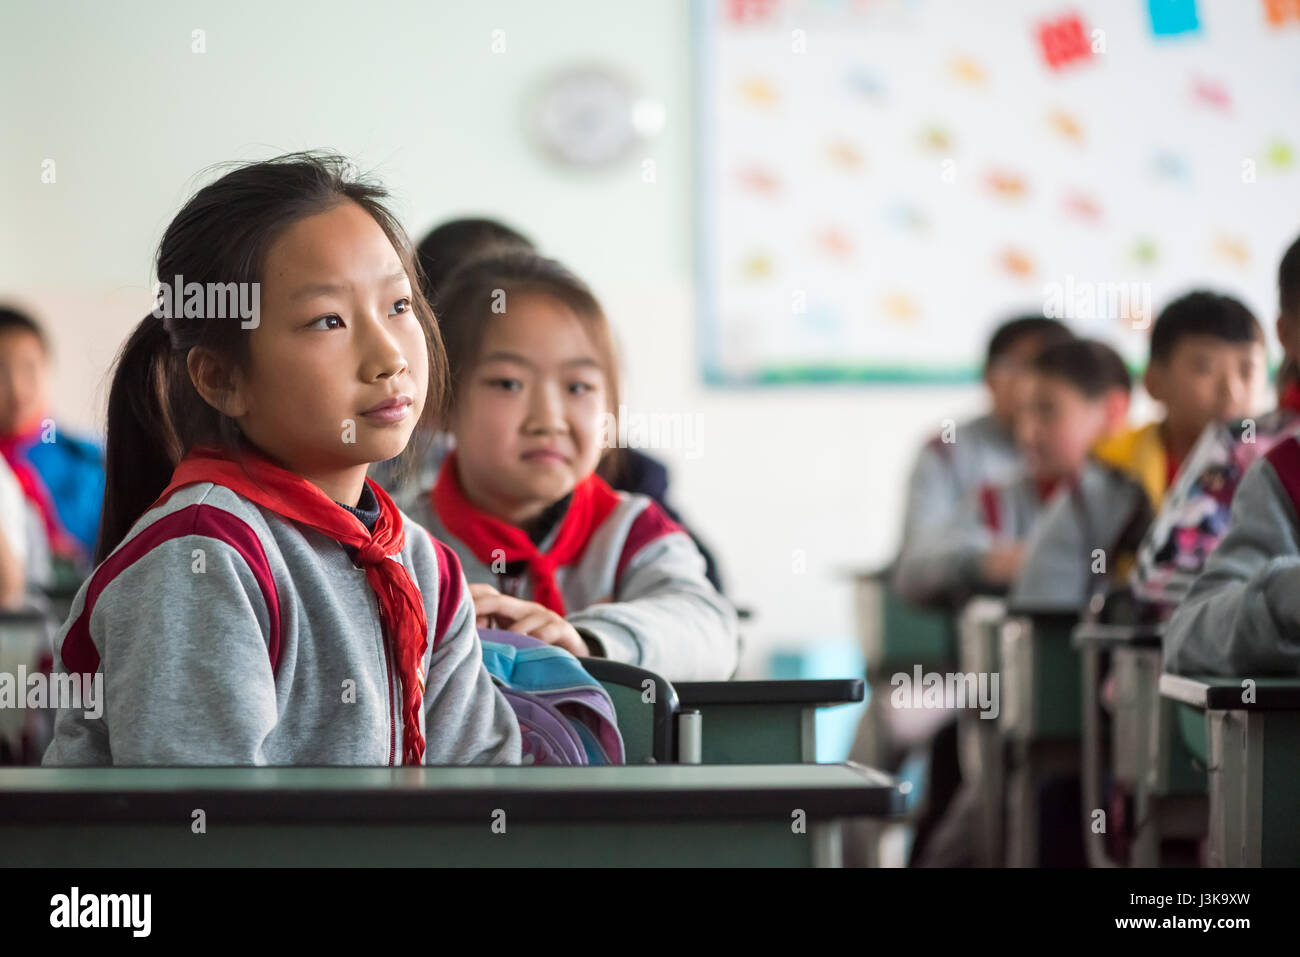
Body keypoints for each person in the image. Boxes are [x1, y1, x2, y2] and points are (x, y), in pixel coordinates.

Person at [43, 152, 521, 766]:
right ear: (222, 379)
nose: (389, 358)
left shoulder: (423, 567)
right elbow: (201, 820)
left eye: (399, 306)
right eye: (328, 320)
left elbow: (484, 788)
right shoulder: (203, 559)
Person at [407, 251, 739, 681]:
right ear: (443, 400)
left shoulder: (632, 532)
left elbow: (712, 633)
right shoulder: (402, 544)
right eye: (509, 383)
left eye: (578, 387)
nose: (549, 419)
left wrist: (590, 642)